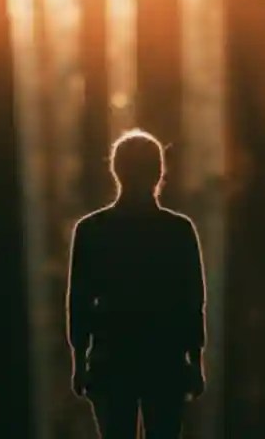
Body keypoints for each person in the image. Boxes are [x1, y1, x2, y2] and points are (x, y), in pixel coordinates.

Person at [66, 129, 207, 439]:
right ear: (159, 172)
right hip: (165, 361)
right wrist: (195, 362)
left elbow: (80, 301)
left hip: (111, 359)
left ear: (117, 171)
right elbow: (192, 302)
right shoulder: (178, 231)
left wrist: (79, 361)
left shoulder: (91, 230)